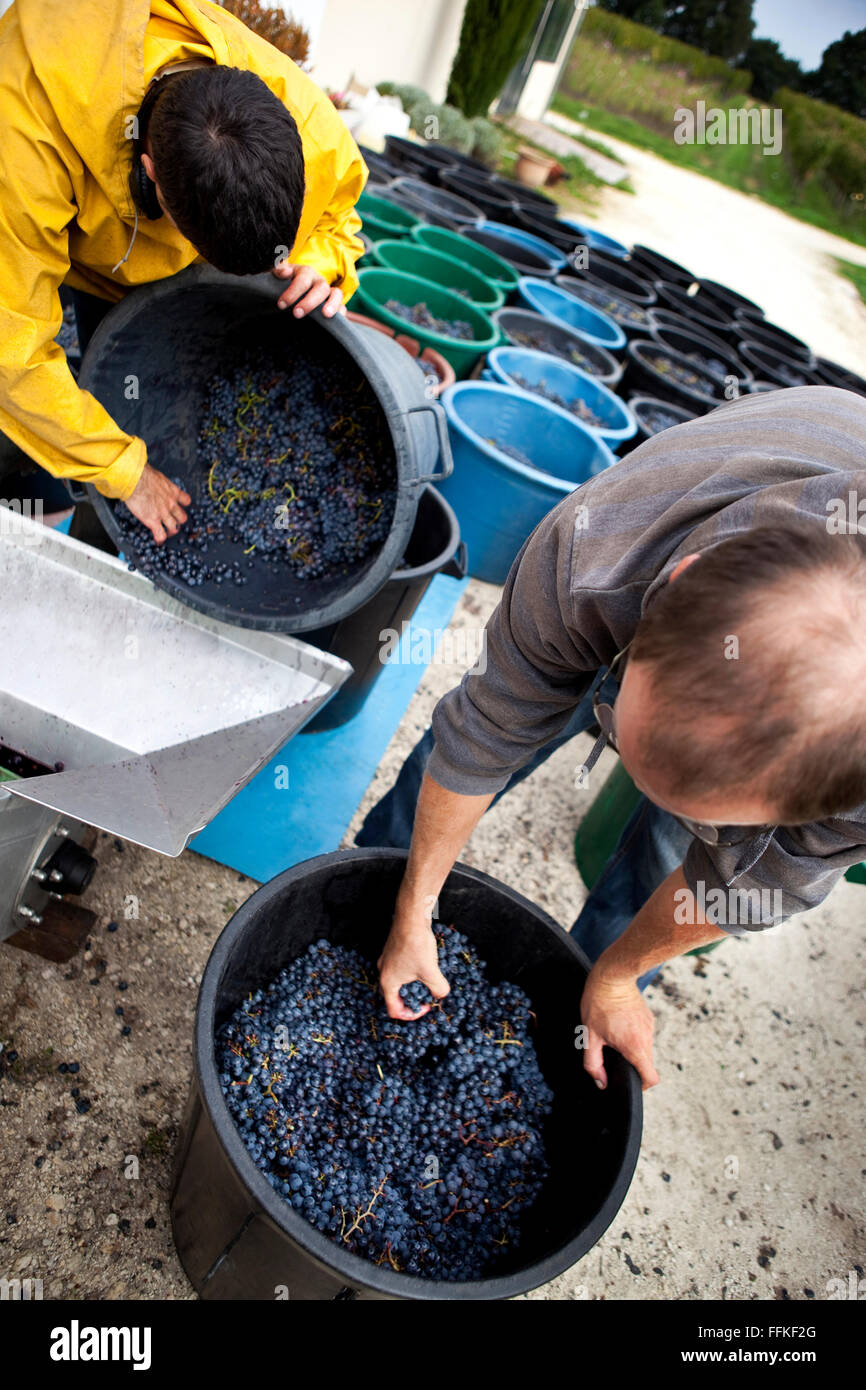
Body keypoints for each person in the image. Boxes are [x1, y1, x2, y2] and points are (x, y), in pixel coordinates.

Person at [359, 385, 866, 1091]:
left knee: (666, 858)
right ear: (676, 584)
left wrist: (623, 973)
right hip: (783, 453)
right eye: (629, 728)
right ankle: (383, 891)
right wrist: (414, 908)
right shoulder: (598, 550)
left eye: (722, 818)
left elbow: (753, 885)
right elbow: (485, 732)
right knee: (508, 721)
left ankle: (576, 1016)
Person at [0, 0, 367, 542]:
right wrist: (124, 472)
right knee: (58, 411)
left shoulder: (307, 120)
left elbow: (340, 217)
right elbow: (14, 350)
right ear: (149, 173)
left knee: (139, 396)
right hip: (68, 245)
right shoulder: (26, 134)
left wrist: (322, 261)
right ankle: (41, 509)